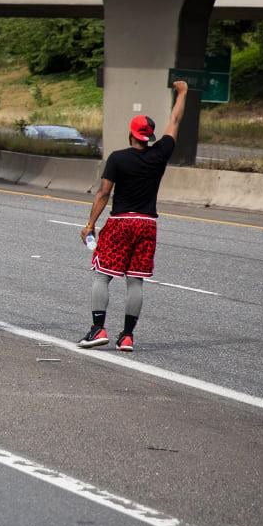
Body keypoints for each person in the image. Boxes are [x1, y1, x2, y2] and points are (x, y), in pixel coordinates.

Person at [78, 81, 190, 352]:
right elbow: (175, 120)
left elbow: (104, 194)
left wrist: (91, 224)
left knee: (102, 275)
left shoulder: (117, 159)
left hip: (120, 222)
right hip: (147, 224)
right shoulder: (160, 154)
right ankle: (127, 336)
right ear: (149, 137)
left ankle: (98, 329)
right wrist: (182, 93)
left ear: (131, 134)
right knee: (135, 280)